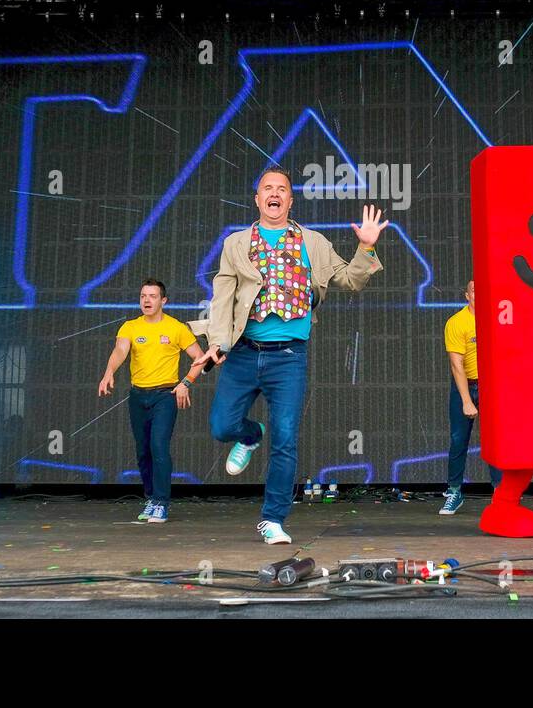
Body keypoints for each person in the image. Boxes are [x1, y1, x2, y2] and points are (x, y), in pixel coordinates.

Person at [193, 167, 385, 545]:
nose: (274, 194)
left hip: (288, 358)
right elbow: (223, 298)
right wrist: (217, 343)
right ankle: (250, 435)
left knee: (285, 439)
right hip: (244, 353)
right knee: (221, 426)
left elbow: (350, 280)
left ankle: (273, 519)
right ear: (257, 199)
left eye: (281, 189)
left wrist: (366, 247)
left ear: (290, 200)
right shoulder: (236, 244)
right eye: (268, 188)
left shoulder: (313, 242)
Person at [98, 279, 207, 523]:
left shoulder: (176, 328)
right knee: (143, 451)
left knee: (159, 446)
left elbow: (200, 357)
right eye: (143, 296)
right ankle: (150, 498)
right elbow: (120, 350)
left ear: (163, 301)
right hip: (138, 396)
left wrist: (186, 382)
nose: (146, 300)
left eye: (152, 296)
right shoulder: (130, 327)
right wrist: (109, 372)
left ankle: (161, 502)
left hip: (165, 396)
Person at [441, 280, 502, 514]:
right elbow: (456, 365)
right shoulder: (457, 322)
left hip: (492, 386)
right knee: (458, 439)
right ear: (467, 295)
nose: (478, 294)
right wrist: (467, 400)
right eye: (474, 290)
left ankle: (501, 495)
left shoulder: (498, 319)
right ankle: (454, 491)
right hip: (465, 385)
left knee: (496, 441)